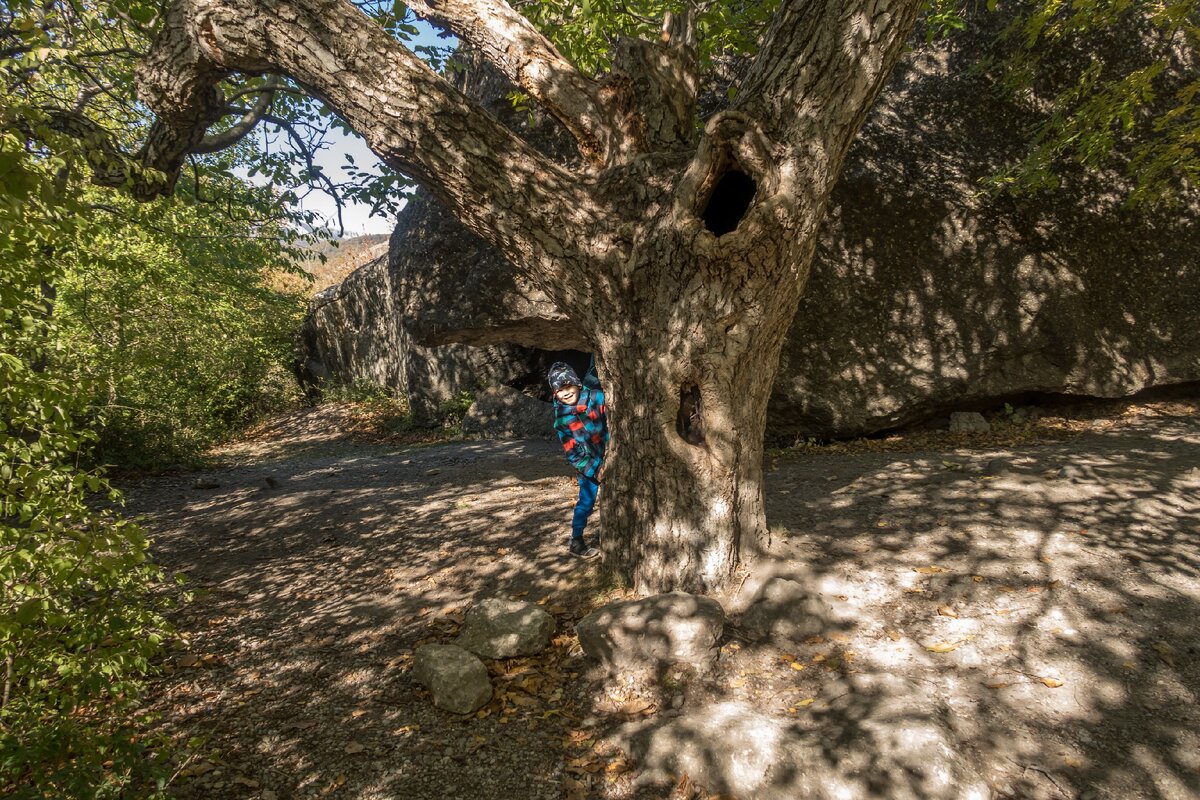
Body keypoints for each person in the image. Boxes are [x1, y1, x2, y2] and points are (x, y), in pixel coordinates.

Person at [548, 360, 606, 559]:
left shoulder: (596, 398)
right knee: (586, 503)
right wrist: (594, 469)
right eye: (560, 390)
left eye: (568, 386)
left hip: (608, 453)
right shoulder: (561, 420)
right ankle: (576, 540)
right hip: (588, 466)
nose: (565, 393)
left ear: (577, 384)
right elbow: (573, 453)